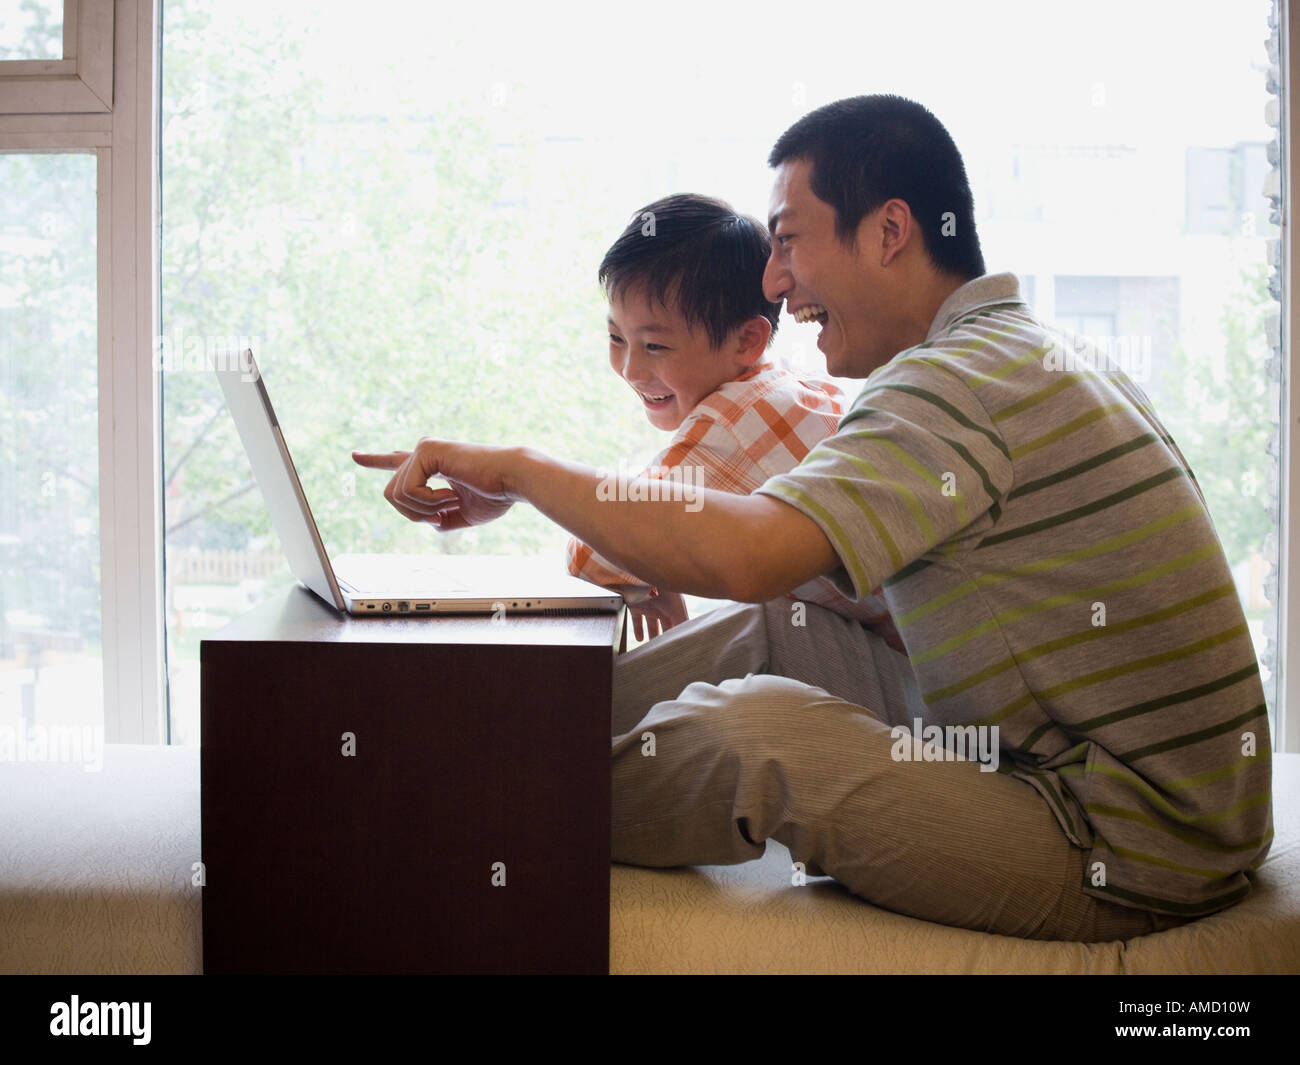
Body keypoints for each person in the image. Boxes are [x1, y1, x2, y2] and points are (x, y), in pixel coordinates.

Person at [353, 94, 1272, 942]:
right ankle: (492, 733)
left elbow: (748, 547)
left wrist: (519, 469)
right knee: (781, 627)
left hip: (1126, 842)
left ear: (890, 231)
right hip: (1059, 771)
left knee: (761, 735)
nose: (773, 278)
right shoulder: (1007, 353)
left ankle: (445, 801)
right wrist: (533, 488)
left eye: (789, 241)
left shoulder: (957, 385)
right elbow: (765, 555)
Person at [567, 192, 890, 644]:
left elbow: (590, 558)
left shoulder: (732, 424)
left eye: (655, 346)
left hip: (902, 674)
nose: (630, 369)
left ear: (747, 340)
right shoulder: (786, 389)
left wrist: (647, 574)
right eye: (615, 337)